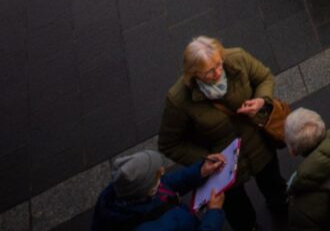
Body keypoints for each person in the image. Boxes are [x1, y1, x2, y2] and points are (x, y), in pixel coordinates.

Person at [157, 38, 286, 230]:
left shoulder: (237, 59)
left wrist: (261, 100)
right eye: (209, 71)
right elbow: (169, 144)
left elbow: (264, 77)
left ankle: (280, 206)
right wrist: (204, 159)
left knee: (274, 185)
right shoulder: (178, 100)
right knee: (238, 211)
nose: (218, 72)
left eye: (219, 64)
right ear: (194, 74)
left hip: (259, 146)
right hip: (224, 168)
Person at [91, 149, 228, 231]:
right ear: (148, 190)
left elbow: (166, 184)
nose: (162, 173)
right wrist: (213, 214)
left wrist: (200, 171)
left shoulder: (120, 191)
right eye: (157, 174)